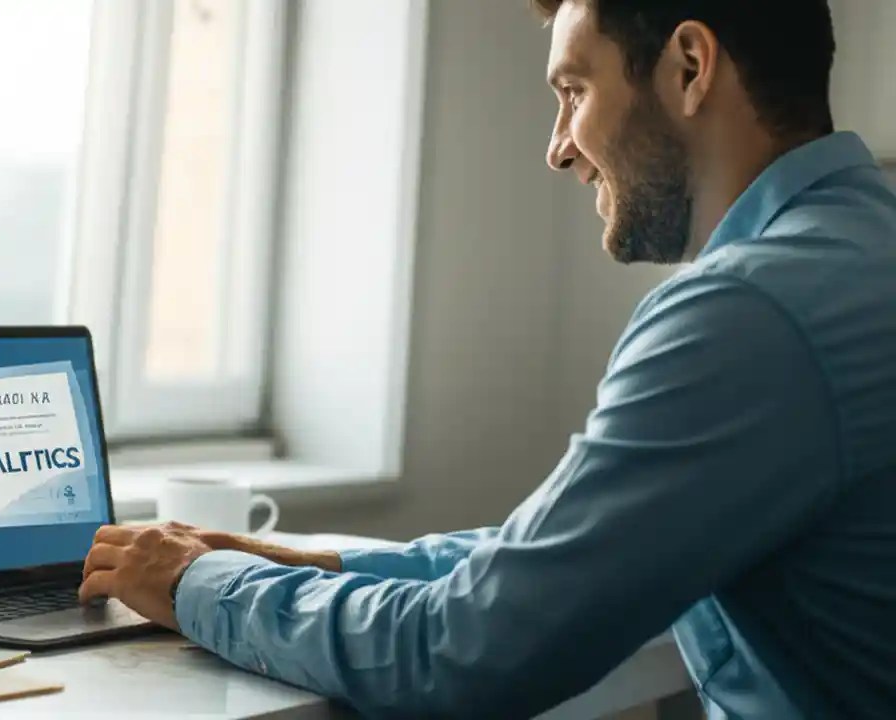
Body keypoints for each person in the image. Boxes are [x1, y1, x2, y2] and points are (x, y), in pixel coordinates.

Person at [79, 0, 896, 717]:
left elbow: (461, 655)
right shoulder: (859, 253)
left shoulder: (747, 315)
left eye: (573, 92)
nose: (559, 148)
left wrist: (195, 586)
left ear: (688, 66)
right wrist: (312, 560)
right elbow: (564, 556)